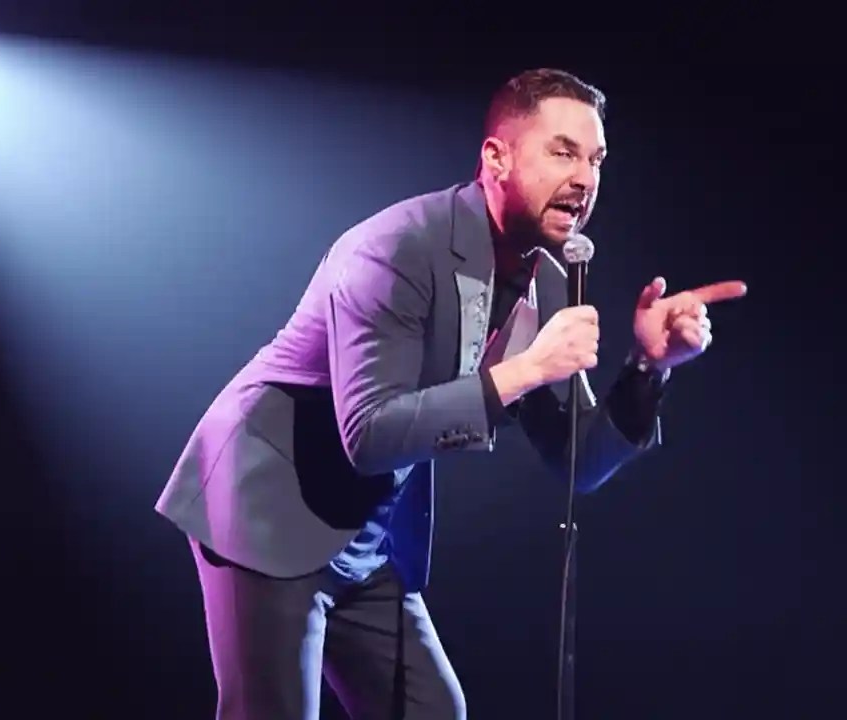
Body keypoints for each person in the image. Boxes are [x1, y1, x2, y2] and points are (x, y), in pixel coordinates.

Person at [155, 67, 746, 720]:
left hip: (364, 538)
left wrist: (648, 366)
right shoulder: (396, 249)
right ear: (496, 157)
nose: (585, 178)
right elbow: (370, 434)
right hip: (270, 503)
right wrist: (524, 370)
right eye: (562, 151)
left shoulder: (547, 282)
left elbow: (578, 458)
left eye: (596, 158)